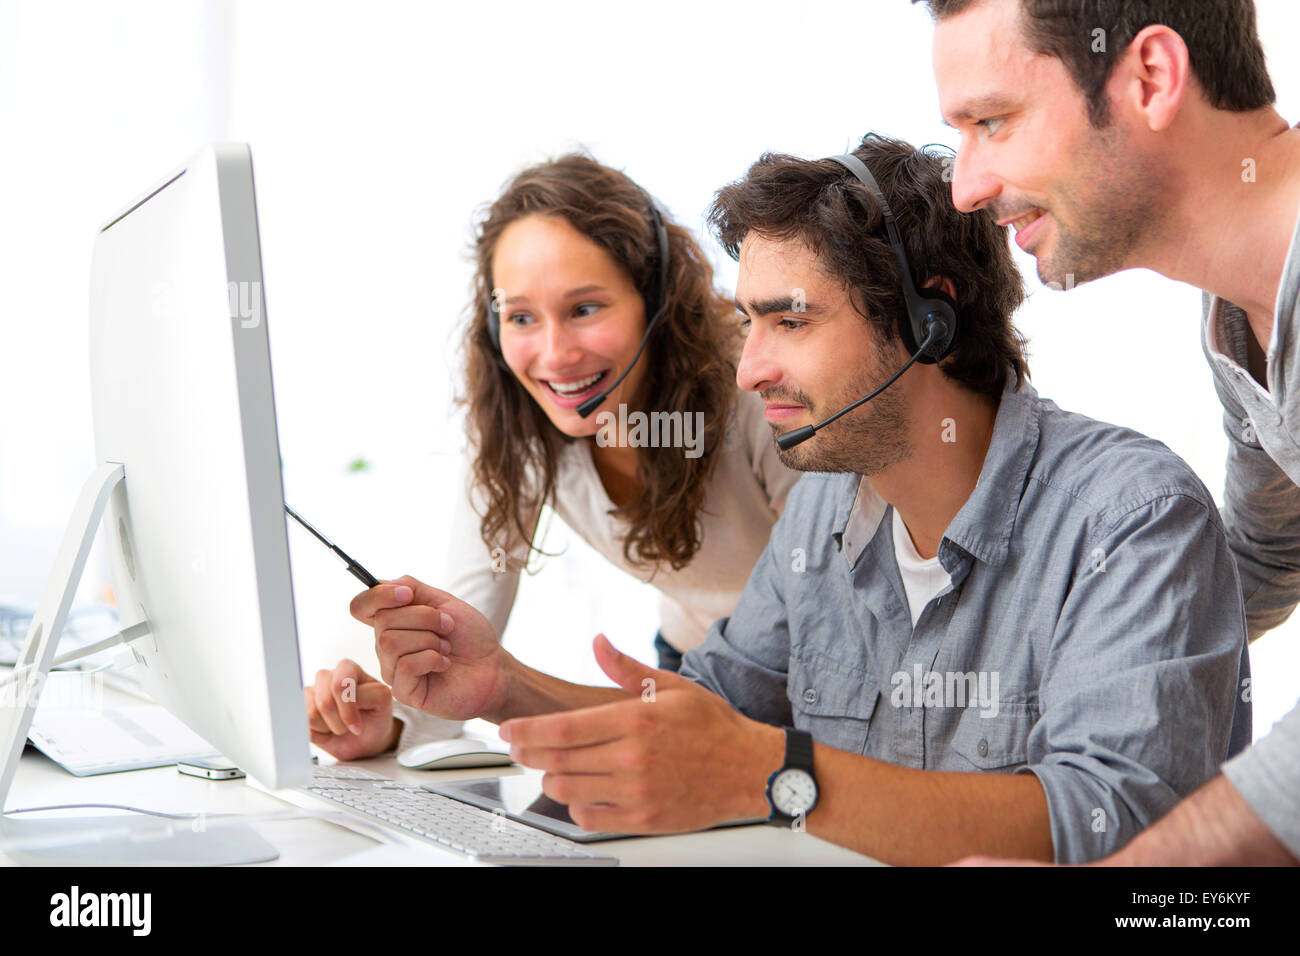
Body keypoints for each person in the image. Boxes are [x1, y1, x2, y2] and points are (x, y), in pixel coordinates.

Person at [355, 133, 1251, 865]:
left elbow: (1120, 827)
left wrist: (779, 776)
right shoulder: (825, 510)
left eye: (791, 320)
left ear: (926, 320)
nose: (750, 370)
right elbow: (695, 720)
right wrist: (503, 685)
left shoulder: (1131, 517)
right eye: (749, 325)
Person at [919, 0, 1300, 865]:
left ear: (1151, 77)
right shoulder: (1242, 317)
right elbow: (1271, 558)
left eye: (994, 122)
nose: (966, 187)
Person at [304, 155, 799, 760]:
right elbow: (466, 635)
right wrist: (394, 722)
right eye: (520, 318)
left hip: (811, 674)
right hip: (692, 669)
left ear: (656, 299)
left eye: (585, 309)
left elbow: (833, 617)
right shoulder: (520, 426)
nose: (555, 354)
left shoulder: (758, 390)